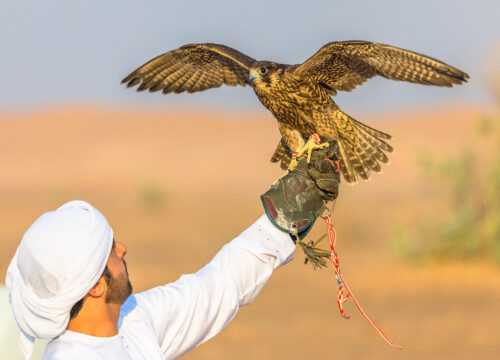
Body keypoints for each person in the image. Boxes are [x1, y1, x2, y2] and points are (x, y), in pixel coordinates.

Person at [6, 148, 339, 360]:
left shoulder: (133, 322)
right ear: (95, 286)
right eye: (110, 251)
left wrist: (279, 224)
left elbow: (216, 289)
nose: (123, 250)